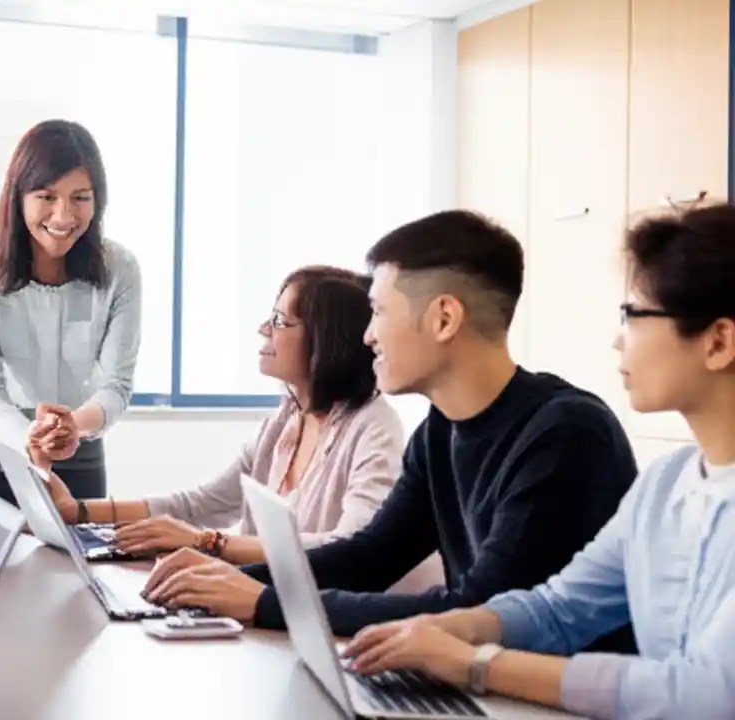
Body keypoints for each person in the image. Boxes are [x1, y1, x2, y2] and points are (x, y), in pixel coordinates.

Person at [142, 210, 638, 651]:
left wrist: (266, 601)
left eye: (378, 311)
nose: (366, 335)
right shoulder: (439, 432)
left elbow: (480, 609)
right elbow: (369, 557)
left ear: (444, 317)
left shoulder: (566, 434)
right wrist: (223, 577)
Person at [340, 203, 735, 719]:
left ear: (719, 342)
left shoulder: (567, 428)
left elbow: (705, 695)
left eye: (633, 315)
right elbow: (559, 606)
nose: (618, 338)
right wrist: (452, 628)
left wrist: (476, 663)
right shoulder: (667, 482)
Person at [43, 266, 440, 588]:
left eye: (281, 321)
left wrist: (208, 543)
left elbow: (348, 546)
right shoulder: (287, 417)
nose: (264, 330)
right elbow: (203, 504)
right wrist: (77, 510)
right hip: (275, 603)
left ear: (327, 339)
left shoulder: (374, 426)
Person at [0, 119, 142, 509]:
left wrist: (69, 430)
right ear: (19, 197)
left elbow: (116, 385)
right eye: (46, 196)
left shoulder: (121, 270)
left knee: (78, 560)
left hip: (72, 438)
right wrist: (31, 435)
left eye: (80, 197)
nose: (63, 216)